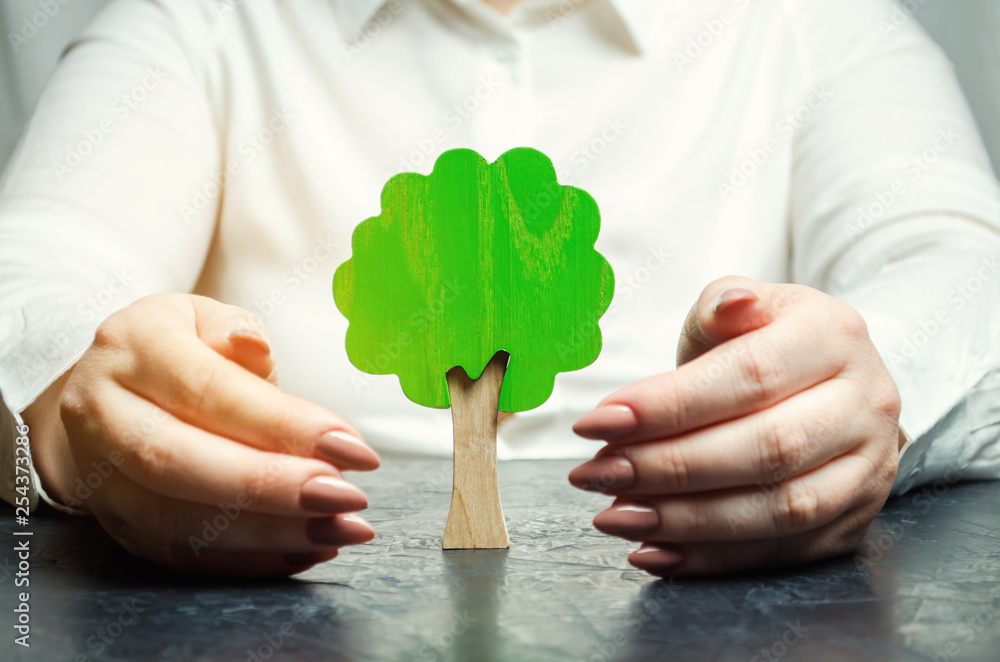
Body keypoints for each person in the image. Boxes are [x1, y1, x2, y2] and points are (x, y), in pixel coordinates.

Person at [2, 0, 998, 578]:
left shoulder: (824, 25)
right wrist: (70, 400)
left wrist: (874, 389)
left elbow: (961, 270)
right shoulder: (191, 22)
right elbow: (36, 269)